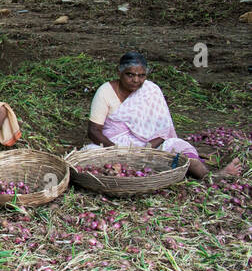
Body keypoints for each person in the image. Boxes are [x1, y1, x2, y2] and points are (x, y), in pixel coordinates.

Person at [85, 52, 241, 180]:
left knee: (177, 146)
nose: (136, 80)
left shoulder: (150, 90)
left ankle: (211, 176)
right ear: (119, 72)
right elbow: (94, 131)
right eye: (130, 75)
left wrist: (146, 149)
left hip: (147, 147)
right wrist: (119, 151)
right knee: (89, 153)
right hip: (113, 147)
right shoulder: (105, 91)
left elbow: (163, 131)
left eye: (141, 75)